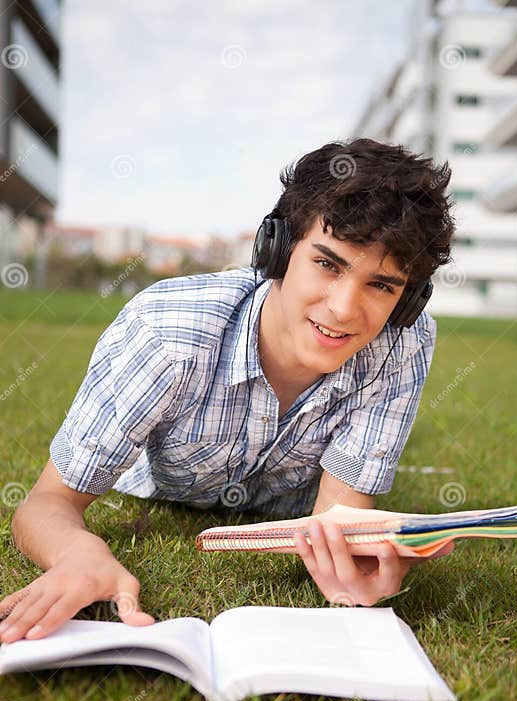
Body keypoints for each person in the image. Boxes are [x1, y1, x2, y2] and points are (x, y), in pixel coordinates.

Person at [1, 137, 456, 644]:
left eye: (382, 285)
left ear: (408, 299)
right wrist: (77, 552)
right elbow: (45, 503)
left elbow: (337, 520)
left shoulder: (403, 343)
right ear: (277, 251)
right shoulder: (167, 331)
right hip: (163, 489)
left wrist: (355, 566)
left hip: (290, 508)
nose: (346, 309)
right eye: (328, 264)